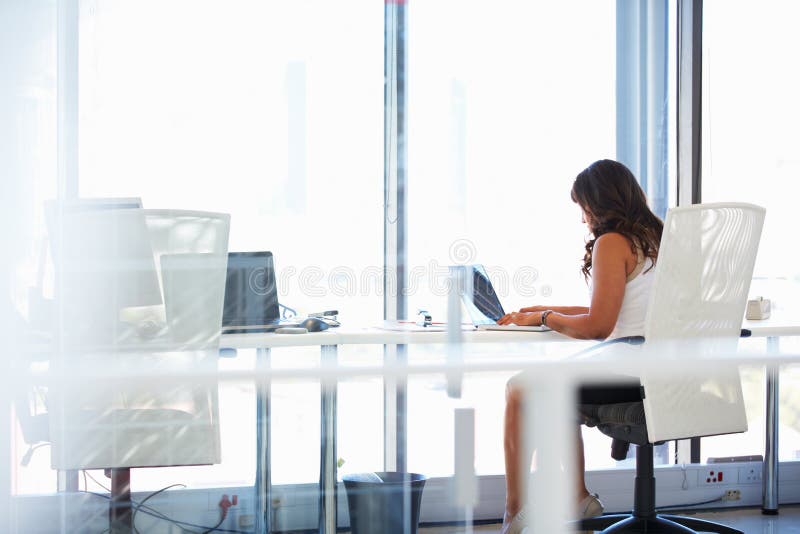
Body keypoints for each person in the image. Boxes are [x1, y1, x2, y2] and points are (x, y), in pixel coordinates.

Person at [498, 159, 664, 534]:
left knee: (520, 387)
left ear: (601, 203)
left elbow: (599, 326)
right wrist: (549, 309)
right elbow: (620, 307)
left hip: (631, 375)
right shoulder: (658, 237)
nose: (583, 218)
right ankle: (577, 498)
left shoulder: (612, 242)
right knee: (557, 381)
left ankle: (514, 510)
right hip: (664, 373)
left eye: (584, 208)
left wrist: (545, 320)